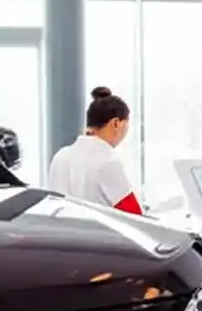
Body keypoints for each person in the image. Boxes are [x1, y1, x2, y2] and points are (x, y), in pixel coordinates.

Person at [47, 86, 143, 215]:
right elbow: (135, 215)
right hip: (100, 235)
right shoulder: (108, 162)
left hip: (63, 234)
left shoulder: (60, 157)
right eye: (126, 124)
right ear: (115, 124)